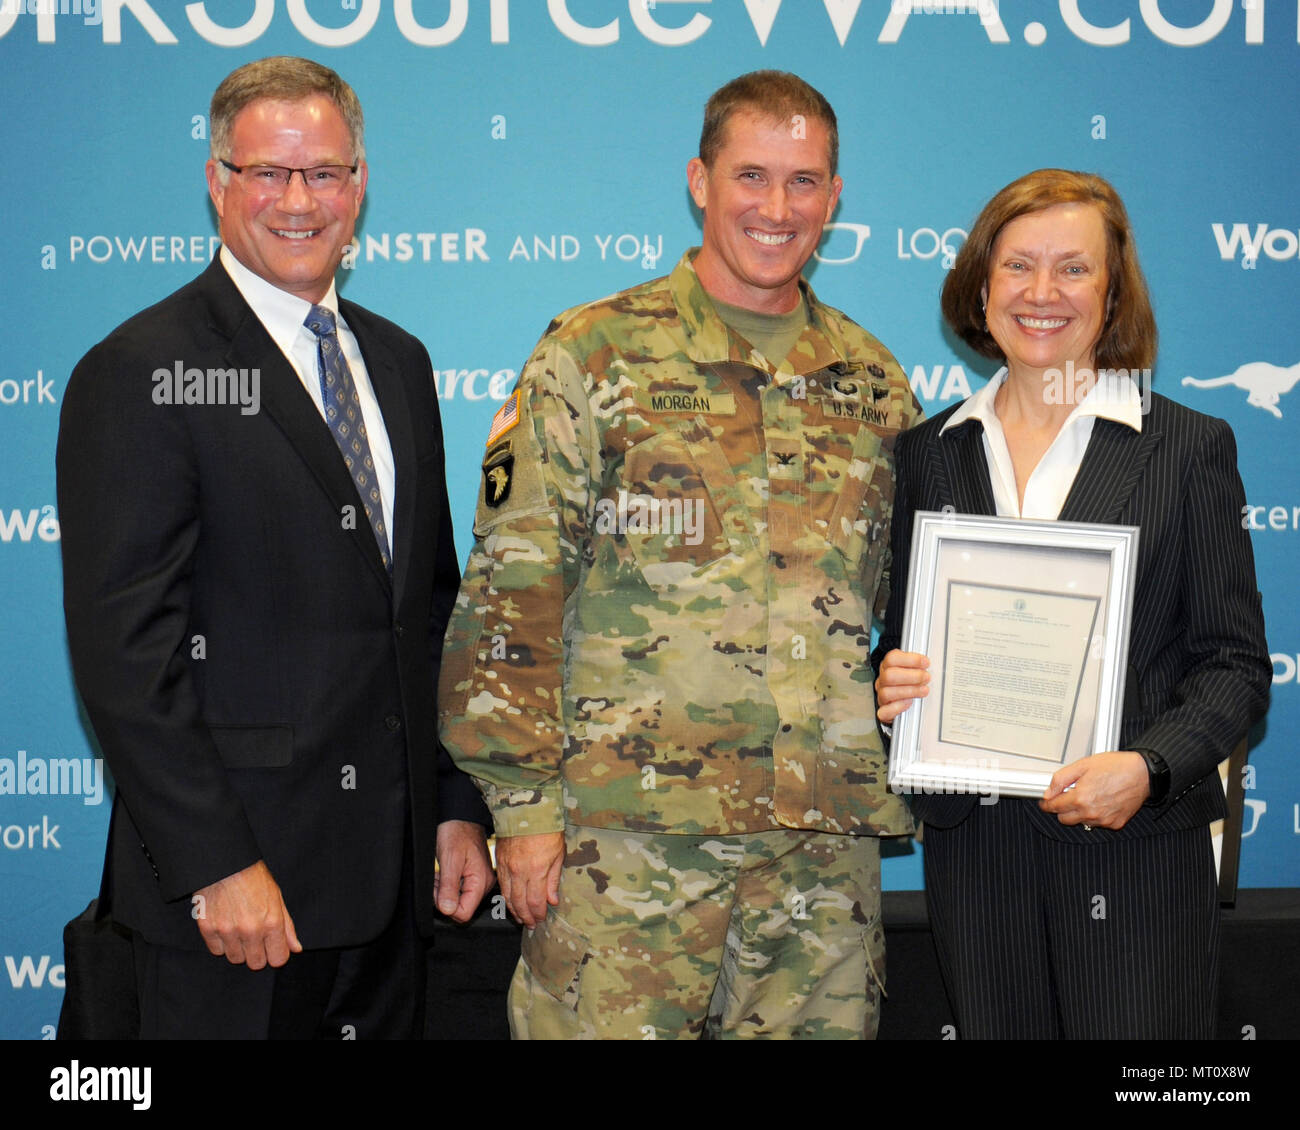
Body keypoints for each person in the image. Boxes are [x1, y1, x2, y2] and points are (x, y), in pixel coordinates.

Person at [439, 70, 921, 1040]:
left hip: (816, 861)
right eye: (751, 175)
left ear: (833, 198)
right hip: (625, 849)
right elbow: (512, 591)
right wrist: (523, 810)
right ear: (698, 181)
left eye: (802, 181)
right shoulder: (592, 354)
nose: (775, 207)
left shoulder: (871, 381)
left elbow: (905, 599)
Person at [57, 56, 492, 1040]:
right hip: (236, 912)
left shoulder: (398, 360)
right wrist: (216, 863)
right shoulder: (143, 369)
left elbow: (429, 611)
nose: (299, 200)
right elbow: (128, 659)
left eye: (325, 173)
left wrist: (457, 803)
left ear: (360, 183)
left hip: (392, 901)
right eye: (267, 172)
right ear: (217, 182)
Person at [873, 168, 1270, 1039]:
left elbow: (1234, 666)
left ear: (1114, 290)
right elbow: (900, 642)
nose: (1042, 294)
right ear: (982, 286)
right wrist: (890, 686)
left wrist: (1151, 765)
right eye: (1018, 267)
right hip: (976, 855)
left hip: (1136, 853)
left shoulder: (1188, 447)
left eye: (1073, 269)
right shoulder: (928, 454)